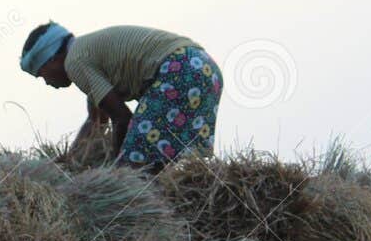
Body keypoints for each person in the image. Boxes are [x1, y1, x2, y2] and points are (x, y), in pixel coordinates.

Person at [20, 22, 223, 171]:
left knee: (133, 167)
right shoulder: (87, 53)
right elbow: (97, 121)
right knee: (174, 163)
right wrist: (68, 162)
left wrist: (116, 169)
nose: (47, 82)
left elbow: (122, 118)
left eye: (41, 74)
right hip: (203, 67)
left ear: (52, 59)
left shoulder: (75, 62)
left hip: (179, 70)